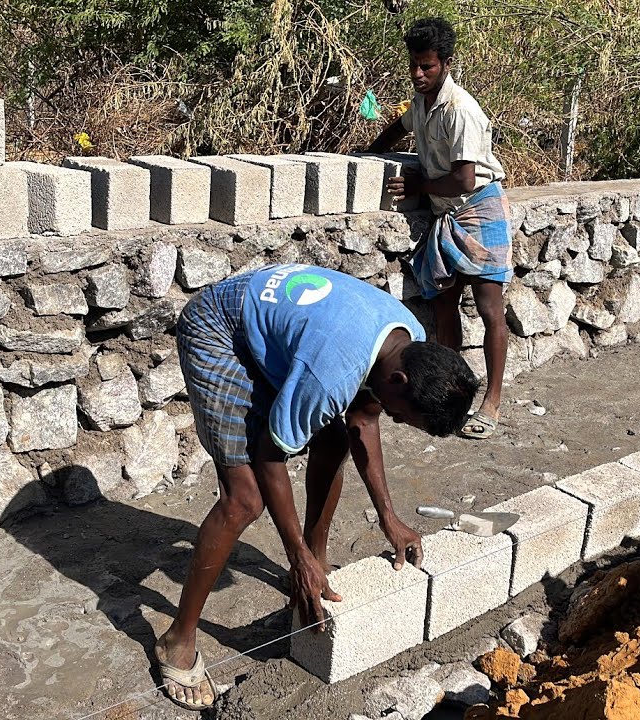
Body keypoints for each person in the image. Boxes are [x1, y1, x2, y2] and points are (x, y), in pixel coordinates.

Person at [154, 263, 479, 709]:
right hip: (218, 330)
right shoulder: (333, 372)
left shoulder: (405, 341)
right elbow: (271, 457)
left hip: (277, 328)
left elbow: (362, 420)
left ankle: (316, 561)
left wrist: (389, 517)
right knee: (244, 499)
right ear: (398, 380)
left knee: (331, 435)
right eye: (403, 415)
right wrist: (296, 558)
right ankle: (178, 640)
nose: (397, 420)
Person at [367, 17, 512, 440]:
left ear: (446, 63)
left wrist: (419, 185)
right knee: (444, 305)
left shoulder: (461, 110)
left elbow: (465, 179)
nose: (418, 74)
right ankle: (448, 392)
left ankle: (493, 403)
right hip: (444, 214)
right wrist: (369, 152)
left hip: (478, 208)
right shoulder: (422, 102)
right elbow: (400, 126)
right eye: (413, 64)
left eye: (427, 67)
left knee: (489, 309)